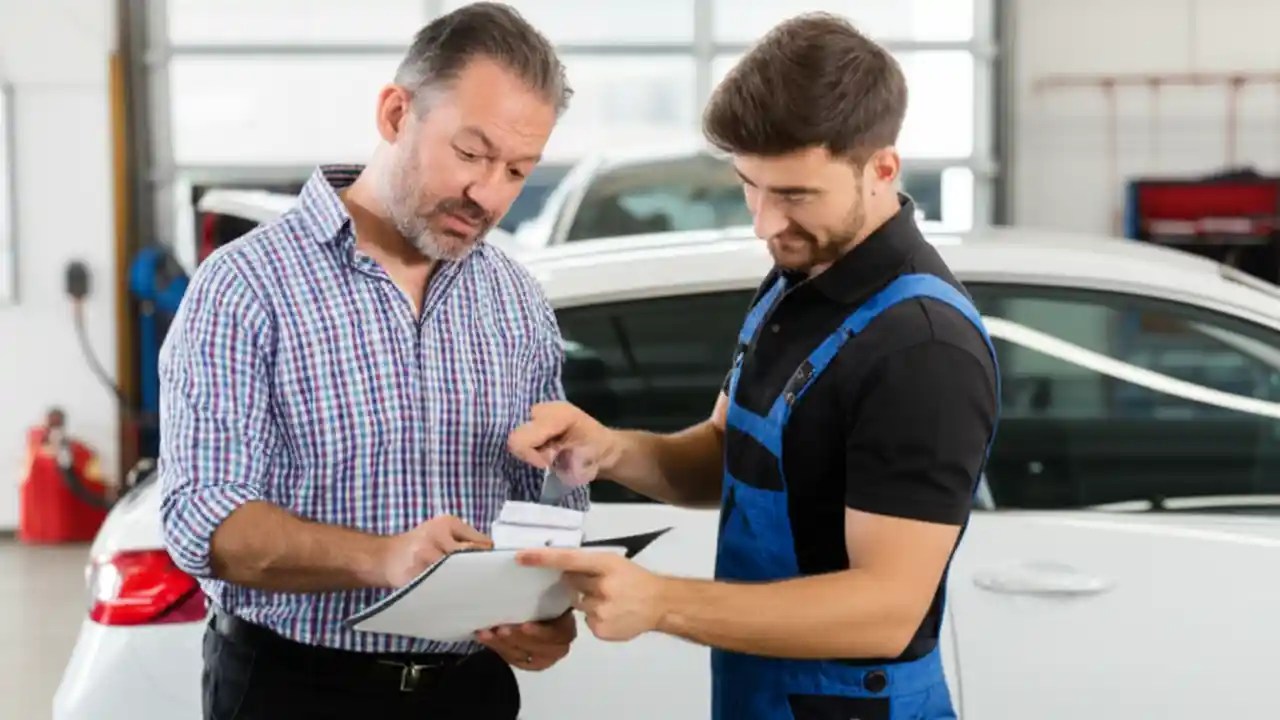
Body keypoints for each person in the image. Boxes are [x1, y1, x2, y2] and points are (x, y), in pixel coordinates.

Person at [508, 12, 1000, 720]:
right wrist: (610, 449)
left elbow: (885, 611)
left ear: (882, 169)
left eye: (795, 195)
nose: (765, 223)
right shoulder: (796, 279)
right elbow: (724, 456)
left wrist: (661, 600)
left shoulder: (922, 350)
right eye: (751, 186)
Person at [157, 4, 587, 719]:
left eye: (517, 169)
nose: (490, 194)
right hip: (294, 690)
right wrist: (383, 556)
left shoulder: (517, 301)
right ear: (395, 113)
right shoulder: (245, 286)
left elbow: (547, 500)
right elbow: (205, 520)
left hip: (469, 692)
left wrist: (545, 612)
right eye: (472, 153)